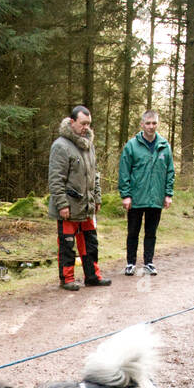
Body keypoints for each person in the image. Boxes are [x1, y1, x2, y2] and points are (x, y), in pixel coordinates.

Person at [48, 105, 109, 290]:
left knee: (91, 243)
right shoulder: (60, 146)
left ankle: (92, 276)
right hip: (68, 207)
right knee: (67, 245)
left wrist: (97, 198)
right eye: (83, 124)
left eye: (88, 124)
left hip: (87, 207)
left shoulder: (89, 145)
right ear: (72, 122)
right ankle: (66, 280)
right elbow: (56, 179)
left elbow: (94, 175)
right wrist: (62, 205)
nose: (86, 128)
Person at [118, 110, 175, 276]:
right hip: (136, 197)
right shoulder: (131, 146)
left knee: (151, 232)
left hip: (156, 198)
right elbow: (124, 172)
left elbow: (170, 172)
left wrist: (168, 194)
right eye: (148, 123)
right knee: (133, 232)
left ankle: (149, 262)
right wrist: (126, 195)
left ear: (158, 124)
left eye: (154, 123)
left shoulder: (164, 146)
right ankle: (130, 263)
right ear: (142, 124)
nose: (151, 126)